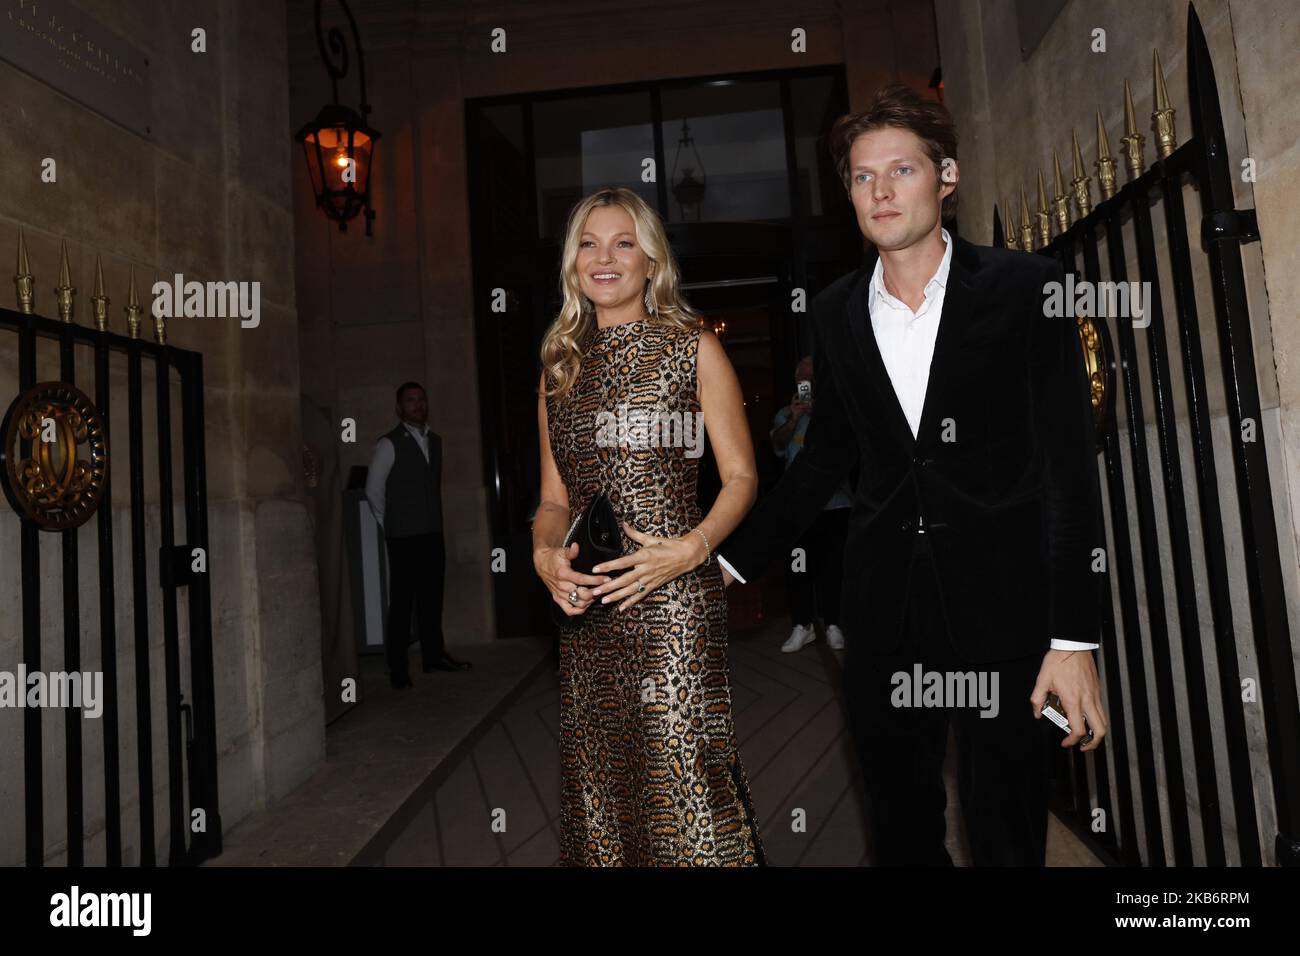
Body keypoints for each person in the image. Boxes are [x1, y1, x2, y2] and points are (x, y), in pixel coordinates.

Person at [716, 84, 1109, 866]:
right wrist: (722, 560)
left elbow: (1069, 473)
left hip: (1008, 611)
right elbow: (825, 455)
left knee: (1006, 830)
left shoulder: (1029, 287)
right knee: (899, 831)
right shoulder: (833, 312)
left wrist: (1072, 639)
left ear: (946, 177)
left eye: (901, 170)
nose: (881, 191)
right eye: (863, 177)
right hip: (885, 611)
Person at [532, 187, 766, 865]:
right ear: (573, 261)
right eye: (588, 243)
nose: (605, 258)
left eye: (623, 242)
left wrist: (691, 550)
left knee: (686, 784)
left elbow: (743, 478)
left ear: (651, 260)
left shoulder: (690, 347)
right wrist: (546, 556)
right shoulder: (556, 368)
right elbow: (551, 498)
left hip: (673, 606)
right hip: (590, 606)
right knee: (601, 789)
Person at [365, 382, 472, 689]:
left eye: (421, 399)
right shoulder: (388, 444)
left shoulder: (436, 441)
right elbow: (373, 490)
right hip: (402, 537)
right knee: (401, 602)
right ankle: (397, 668)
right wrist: (391, 523)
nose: (417, 405)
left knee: (431, 598)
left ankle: (433, 656)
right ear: (400, 408)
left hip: (431, 533)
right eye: (411, 401)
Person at [768, 355, 852, 653]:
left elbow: (848, 448)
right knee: (798, 566)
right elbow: (777, 446)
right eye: (803, 379)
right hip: (797, 505)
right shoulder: (784, 413)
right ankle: (802, 625)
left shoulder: (835, 410)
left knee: (833, 565)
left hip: (835, 503)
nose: (808, 385)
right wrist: (794, 417)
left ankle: (833, 624)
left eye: (812, 379)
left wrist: (823, 415)